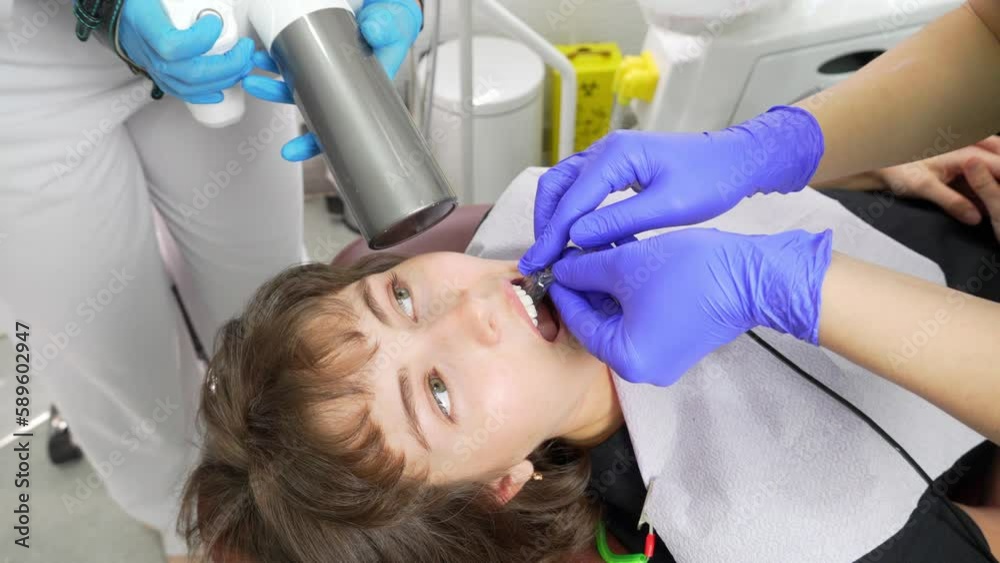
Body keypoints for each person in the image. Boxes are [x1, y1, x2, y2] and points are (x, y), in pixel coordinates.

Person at [0, 0, 420, 560]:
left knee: (270, 308)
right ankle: (186, 528)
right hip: (21, 69)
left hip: (226, 30)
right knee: (108, 355)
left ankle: (283, 508)